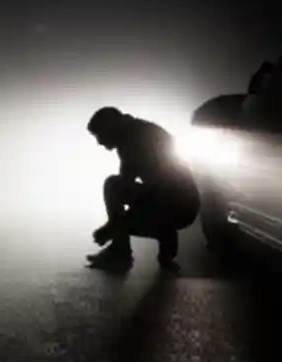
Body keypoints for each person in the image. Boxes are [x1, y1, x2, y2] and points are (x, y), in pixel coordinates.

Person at [84, 106, 199, 271]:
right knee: (117, 190)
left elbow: (153, 185)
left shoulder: (134, 139)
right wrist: (115, 225)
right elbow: (133, 186)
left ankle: (122, 250)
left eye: (100, 135)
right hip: (179, 203)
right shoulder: (133, 134)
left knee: (113, 185)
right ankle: (162, 235)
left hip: (177, 203)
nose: (99, 142)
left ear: (111, 127)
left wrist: (115, 226)